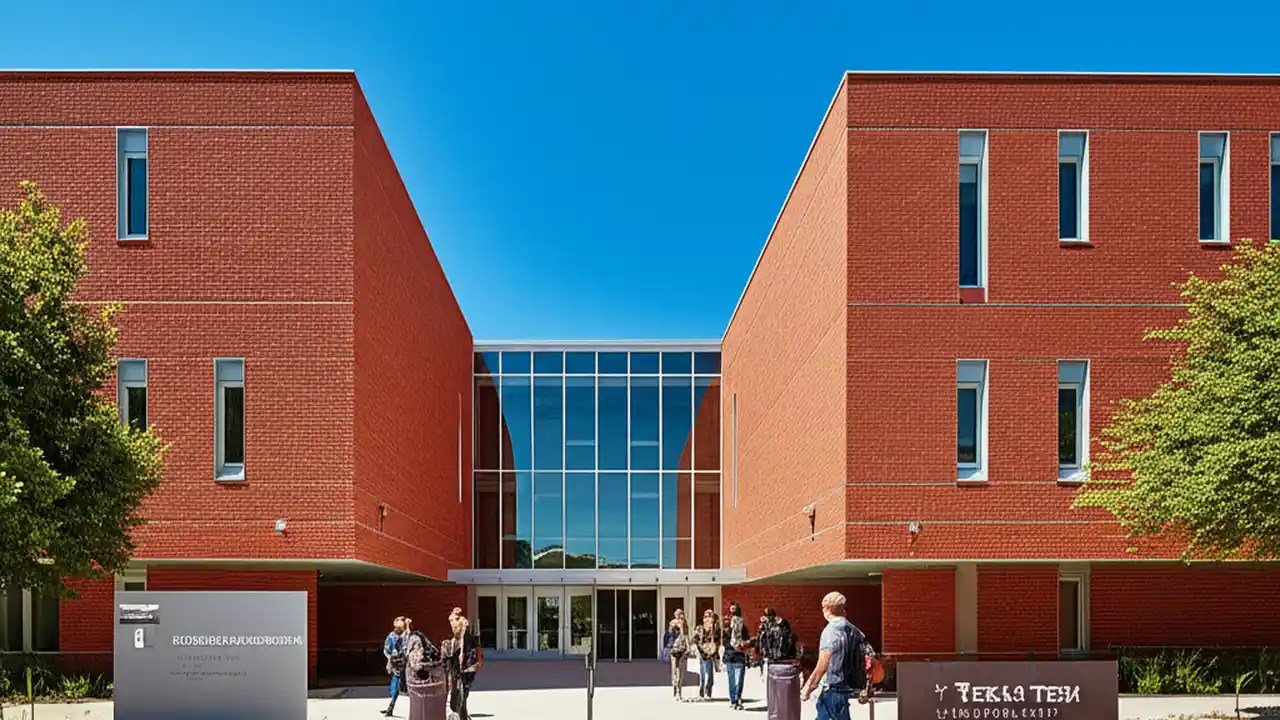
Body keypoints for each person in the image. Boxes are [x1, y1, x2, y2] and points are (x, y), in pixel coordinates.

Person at [799, 592, 875, 720]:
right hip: (847, 686)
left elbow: (823, 664)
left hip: (832, 688)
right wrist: (866, 687)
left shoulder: (831, 631)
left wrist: (808, 687)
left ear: (829, 608)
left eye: (823, 607)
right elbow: (868, 657)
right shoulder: (855, 631)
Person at [759, 606, 802, 720]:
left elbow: (762, 646)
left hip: (773, 664)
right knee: (790, 704)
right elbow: (797, 652)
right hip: (788, 666)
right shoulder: (789, 633)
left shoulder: (765, 627)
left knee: (774, 702)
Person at [403, 616, 445, 720]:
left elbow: (416, 663)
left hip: (419, 679)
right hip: (424, 676)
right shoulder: (418, 636)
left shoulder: (414, 638)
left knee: (420, 708)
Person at [443, 613, 482, 720]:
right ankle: (463, 716)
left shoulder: (454, 643)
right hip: (467, 674)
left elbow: (448, 662)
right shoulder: (470, 641)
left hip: (458, 676)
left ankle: (461, 716)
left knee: (457, 700)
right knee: (462, 700)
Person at [723, 602, 752, 710]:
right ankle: (733, 699)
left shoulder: (743, 627)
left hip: (739, 655)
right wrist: (731, 646)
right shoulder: (726, 628)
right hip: (730, 655)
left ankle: (738, 698)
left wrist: (742, 645)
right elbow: (724, 641)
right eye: (731, 613)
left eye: (735, 612)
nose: (733, 616)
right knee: (732, 679)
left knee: (738, 679)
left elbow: (747, 640)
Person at [692, 608, 721, 701]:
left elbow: (718, 641)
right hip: (702, 653)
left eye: (710, 617)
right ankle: (702, 692)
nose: (708, 619)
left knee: (709, 673)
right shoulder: (699, 628)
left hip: (710, 653)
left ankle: (707, 692)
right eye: (706, 617)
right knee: (703, 673)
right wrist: (698, 648)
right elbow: (694, 639)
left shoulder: (716, 629)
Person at [382, 616, 407, 717]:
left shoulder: (406, 636)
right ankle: (391, 704)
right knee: (395, 682)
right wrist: (389, 659)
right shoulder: (391, 637)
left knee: (399, 683)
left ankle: (391, 705)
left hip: (404, 662)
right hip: (395, 661)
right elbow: (386, 649)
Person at [665, 610, 690, 701]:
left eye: (681, 614)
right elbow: (670, 636)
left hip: (682, 649)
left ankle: (679, 691)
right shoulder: (672, 624)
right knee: (674, 670)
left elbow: (686, 636)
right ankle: (675, 687)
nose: (679, 616)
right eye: (677, 615)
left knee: (681, 670)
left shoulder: (684, 624)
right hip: (674, 649)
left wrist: (688, 647)